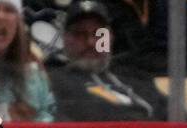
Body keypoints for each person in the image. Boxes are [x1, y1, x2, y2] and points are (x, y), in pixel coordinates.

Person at [45, 0, 173, 121]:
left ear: (111, 37)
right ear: (65, 40)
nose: (91, 42)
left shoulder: (135, 76)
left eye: (99, 34)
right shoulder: (51, 81)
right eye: (80, 34)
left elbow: (178, 118)